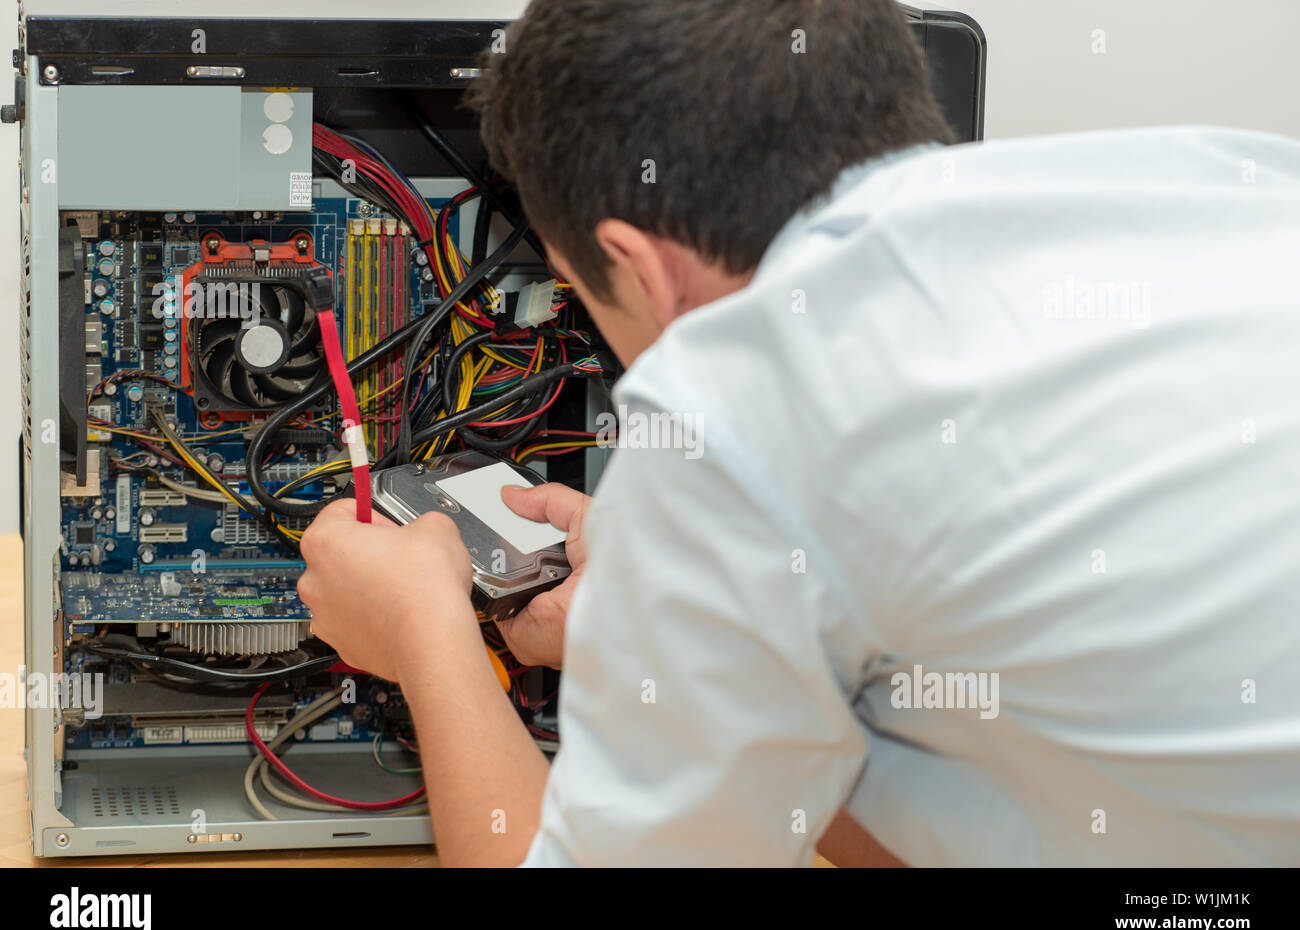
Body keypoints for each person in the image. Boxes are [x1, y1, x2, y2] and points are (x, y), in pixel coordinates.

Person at [297, 0, 1300, 866]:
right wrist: (659, 628)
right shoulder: (1204, 174)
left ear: (635, 267)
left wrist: (426, 636)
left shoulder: (742, 402)